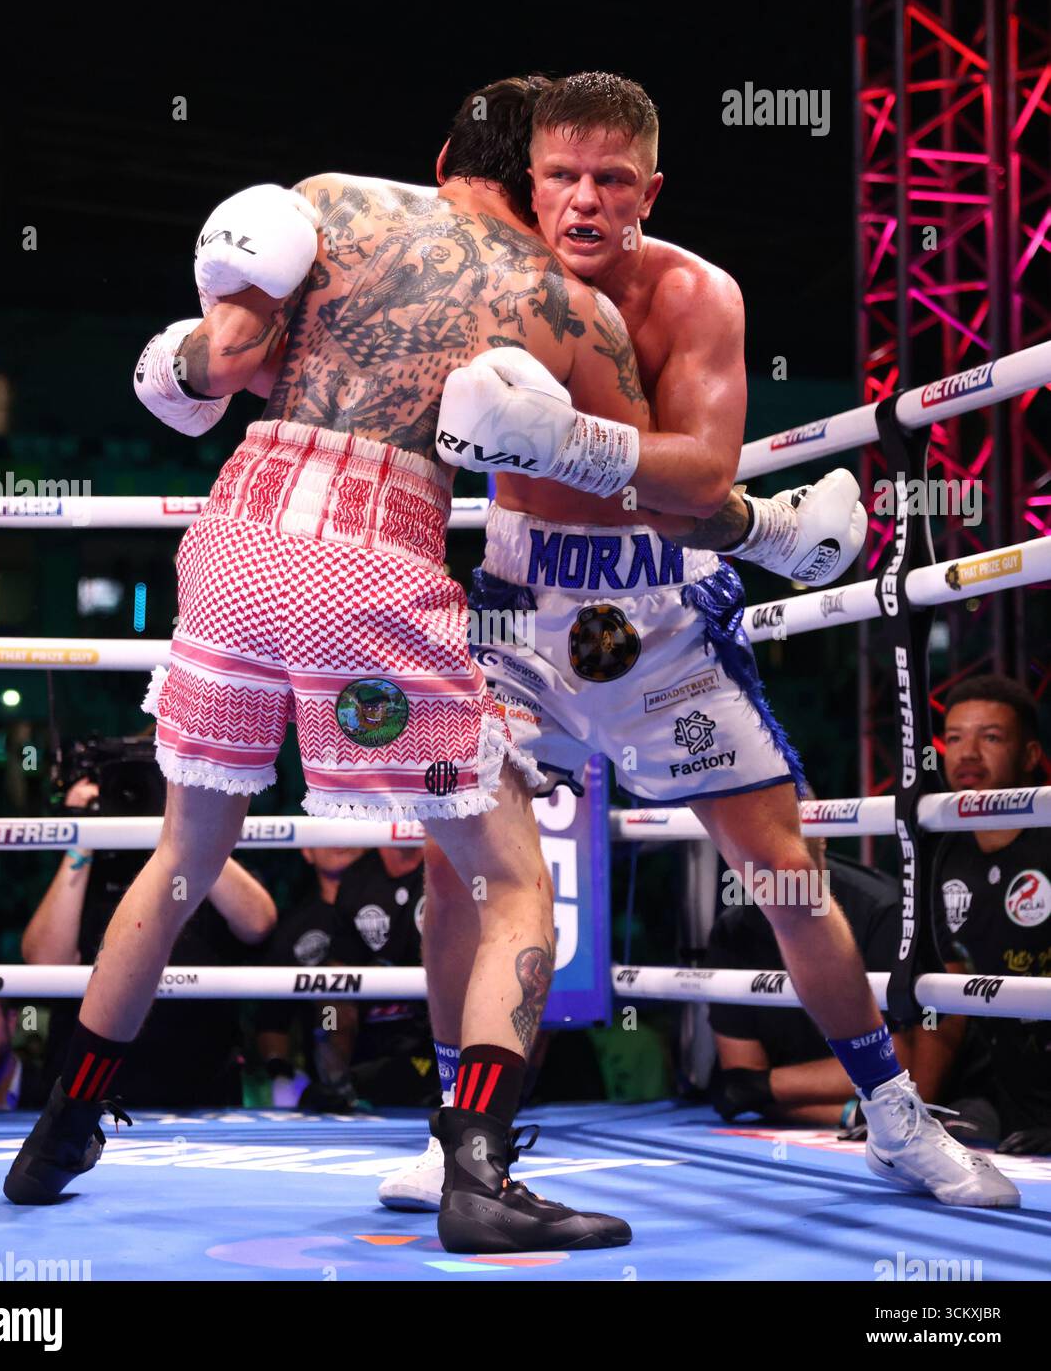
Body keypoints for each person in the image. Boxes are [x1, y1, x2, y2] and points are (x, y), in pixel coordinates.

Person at [382, 70, 1018, 1212]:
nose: (583, 200)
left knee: (785, 871)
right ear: (529, 182)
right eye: (561, 176)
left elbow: (701, 477)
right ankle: (460, 1135)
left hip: (660, 616)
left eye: (610, 179)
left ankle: (892, 1111)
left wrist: (561, 435)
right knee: (457, 873)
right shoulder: (492, 282)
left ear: (650, 188)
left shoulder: (693, 296)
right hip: (516, 609)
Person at [24, 769, 276, 1108]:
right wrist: (83, 835)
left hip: (202, 1079)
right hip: (94, 1089)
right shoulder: (92, 864)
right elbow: (45, 960)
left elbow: (258, 922)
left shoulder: (203, 857)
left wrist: (183, 827)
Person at [915, 675, 1051, 1154]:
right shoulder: (940, 853)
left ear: (1031, 755)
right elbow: (944, 1002)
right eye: (954, 738)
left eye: (990, 737)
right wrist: (909, 1111)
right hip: (996, 1094)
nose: (967, 753)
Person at [706, 833, 915, 1126]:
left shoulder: (881, 911)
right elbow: (739, 1086)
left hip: (919, 1118)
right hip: (823, 1128)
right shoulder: (734, 930)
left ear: (822, 839)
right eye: (761, 850)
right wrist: (851, 1114)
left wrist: (765, 1086)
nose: (780, 865)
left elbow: (900, 1069)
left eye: (791, 841)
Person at [260, 845, 437, 1111]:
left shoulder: (439, 869)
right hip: (370, 1049)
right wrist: (329, 1020)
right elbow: (277, 1015)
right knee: (331, 1002)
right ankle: (338, 1084)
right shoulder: (354, 882)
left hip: (431, 1037)